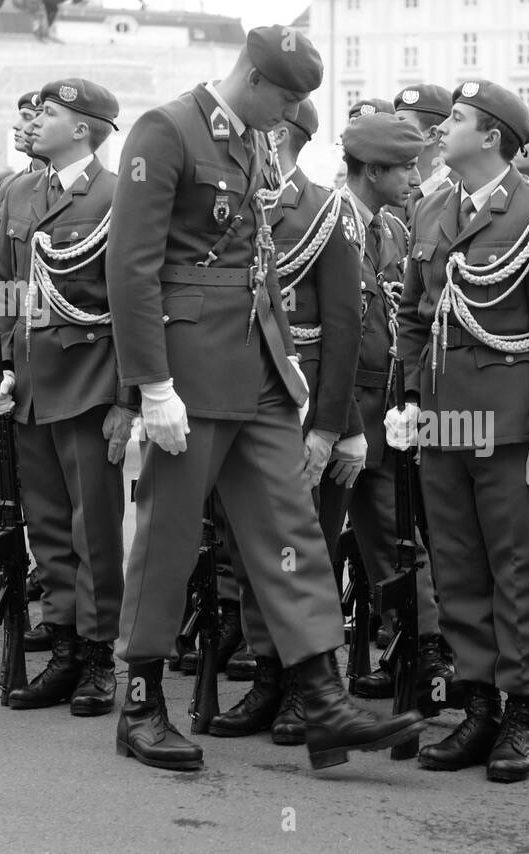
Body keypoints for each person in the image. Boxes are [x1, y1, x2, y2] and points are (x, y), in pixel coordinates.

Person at [107, 25, 426, 773]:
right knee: (171, 534)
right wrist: (151, 385)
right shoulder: (168, 130)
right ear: (251, 76)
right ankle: (141, 702)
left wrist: (301, 383)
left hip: (258, 370)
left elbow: (261, 267)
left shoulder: (251, 141)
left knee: (292, 532)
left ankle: (322, 697)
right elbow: (132, 267)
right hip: (188, 372)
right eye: (283, 96)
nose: (287, 114)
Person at [389, 79, 529, 783]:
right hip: (444, 421)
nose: (444, 128)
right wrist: (412, 395)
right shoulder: (434, 206)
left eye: (459, 120)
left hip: (508, 426)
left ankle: (520, 710)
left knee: (517, 569)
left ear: (494, 137)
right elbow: (414, 315)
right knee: (459, 568)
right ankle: (476, 702)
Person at [205, 97, 365, 745]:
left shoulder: (328, 211)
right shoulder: (229, 203)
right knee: (244, 550)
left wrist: (333, 425)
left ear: (277, 135)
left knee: (305, 554)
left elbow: (346, 328)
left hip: (299, 406)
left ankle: (311, 687)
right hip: (238, 398)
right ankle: (269, 677)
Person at [0, 78, 130, 717]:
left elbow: (134, 303)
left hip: (90, 384)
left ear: (85, 128)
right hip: (30, 387)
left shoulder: (119, 195)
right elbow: (2, 285)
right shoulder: (19, 191)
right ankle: (64, 649)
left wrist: (128, 399)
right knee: (45, 525)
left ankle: (99, 658)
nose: (35, 120)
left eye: (51, 112)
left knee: (92, 526)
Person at [319, 112, 459, 707]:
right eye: (404, 166)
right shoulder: (327, 225)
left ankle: (424, 650)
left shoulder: (394, 229)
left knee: (396, 537)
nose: (416, 174)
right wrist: (341, 420)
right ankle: (307, 674)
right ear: (371, 170)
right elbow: (322, 332)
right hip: (338, 407)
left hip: (385, 409)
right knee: (314, 539)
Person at [393, 83, 456, 224]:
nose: (391, 132)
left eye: (401, 124)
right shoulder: (387, 190)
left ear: (431, 135)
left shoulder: (462, 194)